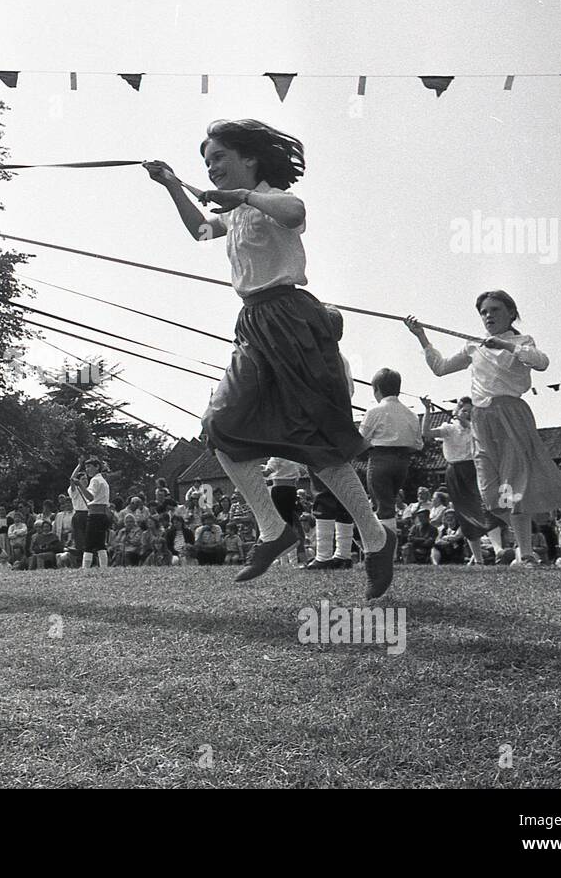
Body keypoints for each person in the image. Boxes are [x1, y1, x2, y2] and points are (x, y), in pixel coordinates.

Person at [144, 121, 396, 596]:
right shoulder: (235, 212)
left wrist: (244, 196)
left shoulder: (267, 198)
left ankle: (376, 538)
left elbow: (295, 210)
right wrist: (173, 186)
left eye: (219, 157)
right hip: (254, 324)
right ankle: (274, 529)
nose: (212, 168)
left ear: (249, 159)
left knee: (317, 441)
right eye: (207, 162)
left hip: (293, 319)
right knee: (218, 426)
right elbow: (200, 231)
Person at [406, 290, 561, 567]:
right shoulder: (474, 345)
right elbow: (440, 368)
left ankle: (526, 553)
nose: (488, 315)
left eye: (494, 309)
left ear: (511, 313)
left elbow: (542, 363)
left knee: (513, 484)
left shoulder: (522, 341)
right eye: (483, 311)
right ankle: (525, 530)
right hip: (481, 420)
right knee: (490, 494)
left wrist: (506, 346)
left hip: (510, 415)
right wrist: (421, 336)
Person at [421, 397, 498, 564]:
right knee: (465, 514)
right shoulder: (448, 429)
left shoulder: (476, 429)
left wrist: (469, 422)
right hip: (454, 472)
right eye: (464, 411)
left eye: (470, 412)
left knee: (485, 509)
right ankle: (478, 560)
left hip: (475, 469)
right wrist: (427, 410)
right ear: (457, 411)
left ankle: (498, 550)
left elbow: (485, 441)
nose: (467, 414)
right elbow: (426, 433)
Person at [359, 368, 423, 533]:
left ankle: (387, 550)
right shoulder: (412, 414)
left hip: (380, 459)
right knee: (388, 503)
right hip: (402, 462)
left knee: (382, 506)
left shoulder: (374, 411)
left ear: (377, 389)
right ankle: (387, 546)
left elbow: (360, 439)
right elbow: (418, 444)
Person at [70, 456, 112, 569]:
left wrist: (79, 485)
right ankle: (104, 567)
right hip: (102, 514)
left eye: (89, 467)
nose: (87, 470)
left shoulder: (95, 480)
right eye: (86, 467)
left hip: (94, 516)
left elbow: (90, 496)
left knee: (88, 544)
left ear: (97, 467)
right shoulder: (103, 481)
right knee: (100, 544)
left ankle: (85, 568)